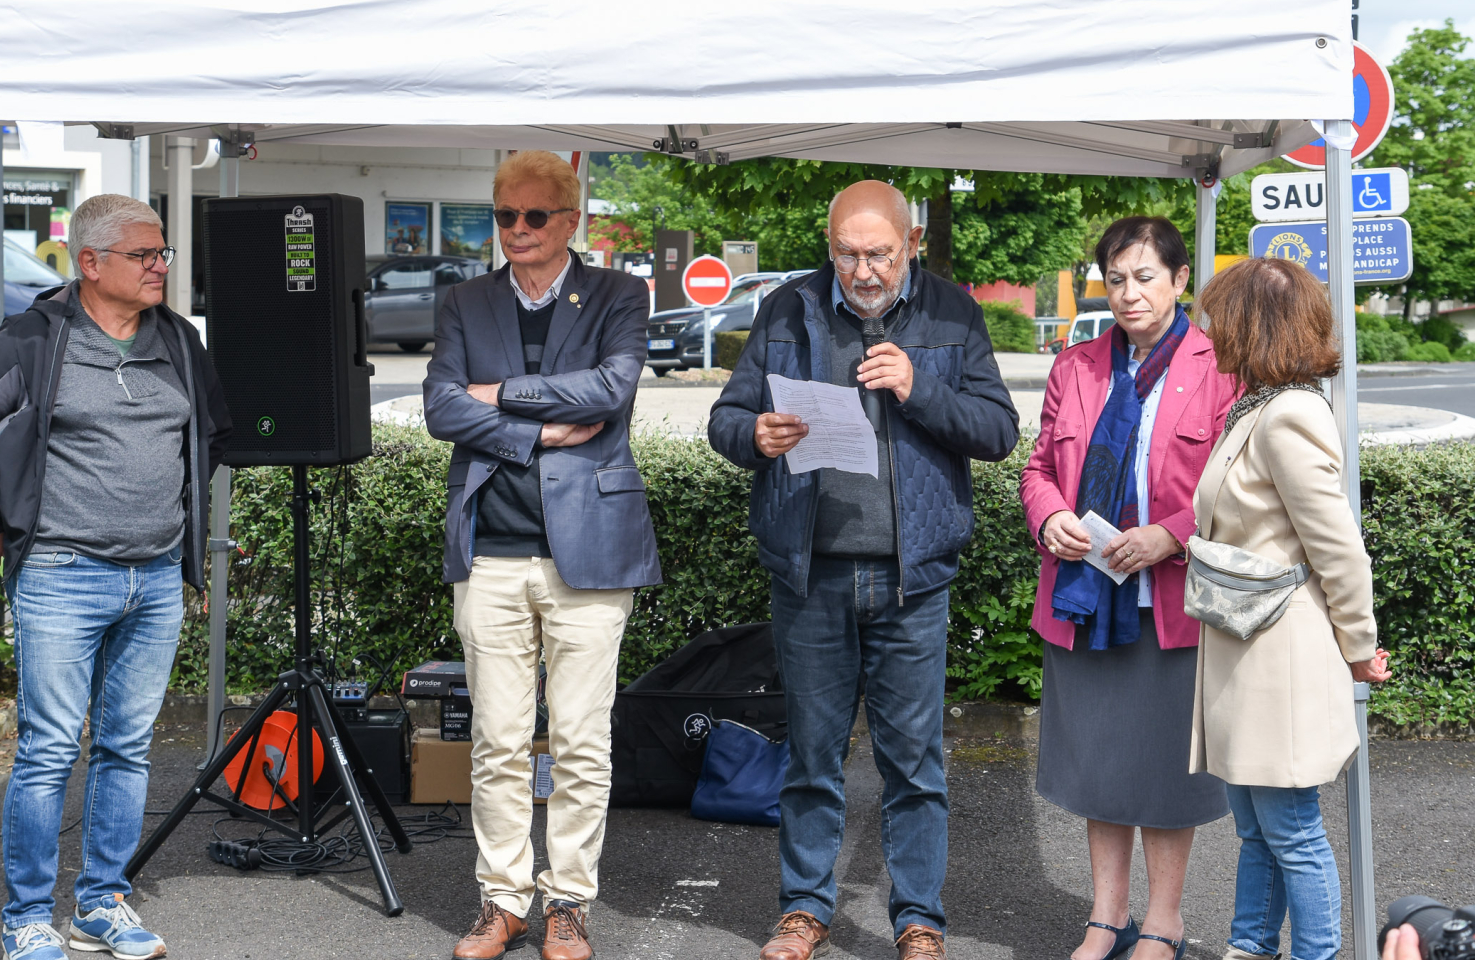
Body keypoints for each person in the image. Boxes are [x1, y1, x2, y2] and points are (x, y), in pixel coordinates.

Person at [708, 180, 1019, 960]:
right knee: (812, 758)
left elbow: (998, 431)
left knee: (914, 765)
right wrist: (758, 436)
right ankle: (805, 910)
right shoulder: (788, 309)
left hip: (913, 580)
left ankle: (918, 920)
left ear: (911, 244)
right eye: (847, 253)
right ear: (829, 245)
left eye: (879, 253)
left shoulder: (952, 313)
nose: (864, 270)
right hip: (810, 573)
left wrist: (921, 388)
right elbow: (724, 418)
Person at [0, 194, 232, 960]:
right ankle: (26, 917)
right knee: (48, 749)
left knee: (127, 747)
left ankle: (101, 905)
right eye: (145, 255)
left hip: (154, 579)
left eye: (163, 253)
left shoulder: (177, 340)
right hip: (63, 574)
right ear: (92, 262)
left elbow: (211, 437)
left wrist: (186, 543)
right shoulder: (38, 339)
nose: (160, 266)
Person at [423, 150, 660, 960]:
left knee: (583, 742)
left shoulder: (622, 294)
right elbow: (439, 408)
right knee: (496, 740)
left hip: (588, 551)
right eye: (504, 217)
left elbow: (611, 391)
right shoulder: (464, 300)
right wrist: (540, 429)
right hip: (489, 549)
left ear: (569, 222)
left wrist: (499, 396)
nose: (516, 232)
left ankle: (570, 902)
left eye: (533, 217)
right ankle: (502, 899)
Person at [1019, 217, 1237, 960]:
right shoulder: (1074, 366)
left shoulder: (1219, 367)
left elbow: (1233, 487)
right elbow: (1039, 468)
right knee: (1101, 769)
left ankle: (1166, 921)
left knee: (1165, 774)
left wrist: (1172, 533)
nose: (1129, 293)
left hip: (1172, 605)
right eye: (1115, 279)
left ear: (1180, 281)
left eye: (1145, 277)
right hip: (1086, 597)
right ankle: (1106, 918)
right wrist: (1048, 517)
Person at [1190, 256, 1393, 960]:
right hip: (1253, 656)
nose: (1210, 331)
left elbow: (1340, 550)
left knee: (1292, 831)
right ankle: (1250, 946)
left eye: (1222, 318)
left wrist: (1360, 647)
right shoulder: (1265, 406)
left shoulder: (1287, 417)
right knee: (1259, 827)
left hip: (1279, 659)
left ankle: (1311, 954)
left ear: (1253, 327)